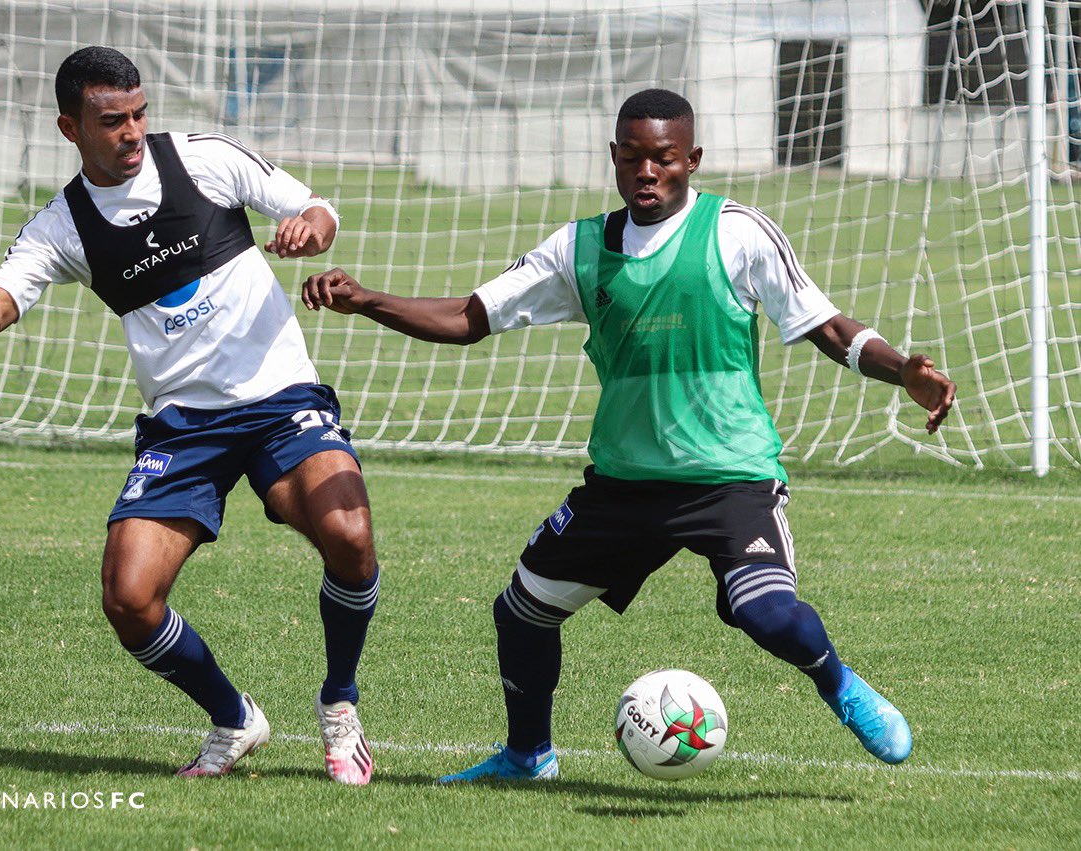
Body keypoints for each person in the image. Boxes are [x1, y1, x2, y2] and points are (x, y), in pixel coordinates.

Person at [301, 88, 956, 782]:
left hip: (727, 477)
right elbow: (471, 316)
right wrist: (365, 298)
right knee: (521, 611)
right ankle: (527, 756)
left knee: (761, 611)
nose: (647, 172)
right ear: (614, 157)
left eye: (664, 160)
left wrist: (899, 370)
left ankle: (838, 684)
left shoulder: (737, 233)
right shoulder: (578, 247)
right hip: (623, 484)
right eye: (633, 158)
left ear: (691, 160)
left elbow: (826, 326)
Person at [0, 46, 379, 785]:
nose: (130, 131)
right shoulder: (62, 224)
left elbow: (316, 210)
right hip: (183, 428)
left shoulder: (201, 159)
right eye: (110, 120)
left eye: (137, 114)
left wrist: (308, 230)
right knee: (129, 600)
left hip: (281, 398)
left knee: (348, 533)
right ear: (71, 128)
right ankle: (234, 716)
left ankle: (340, 703)